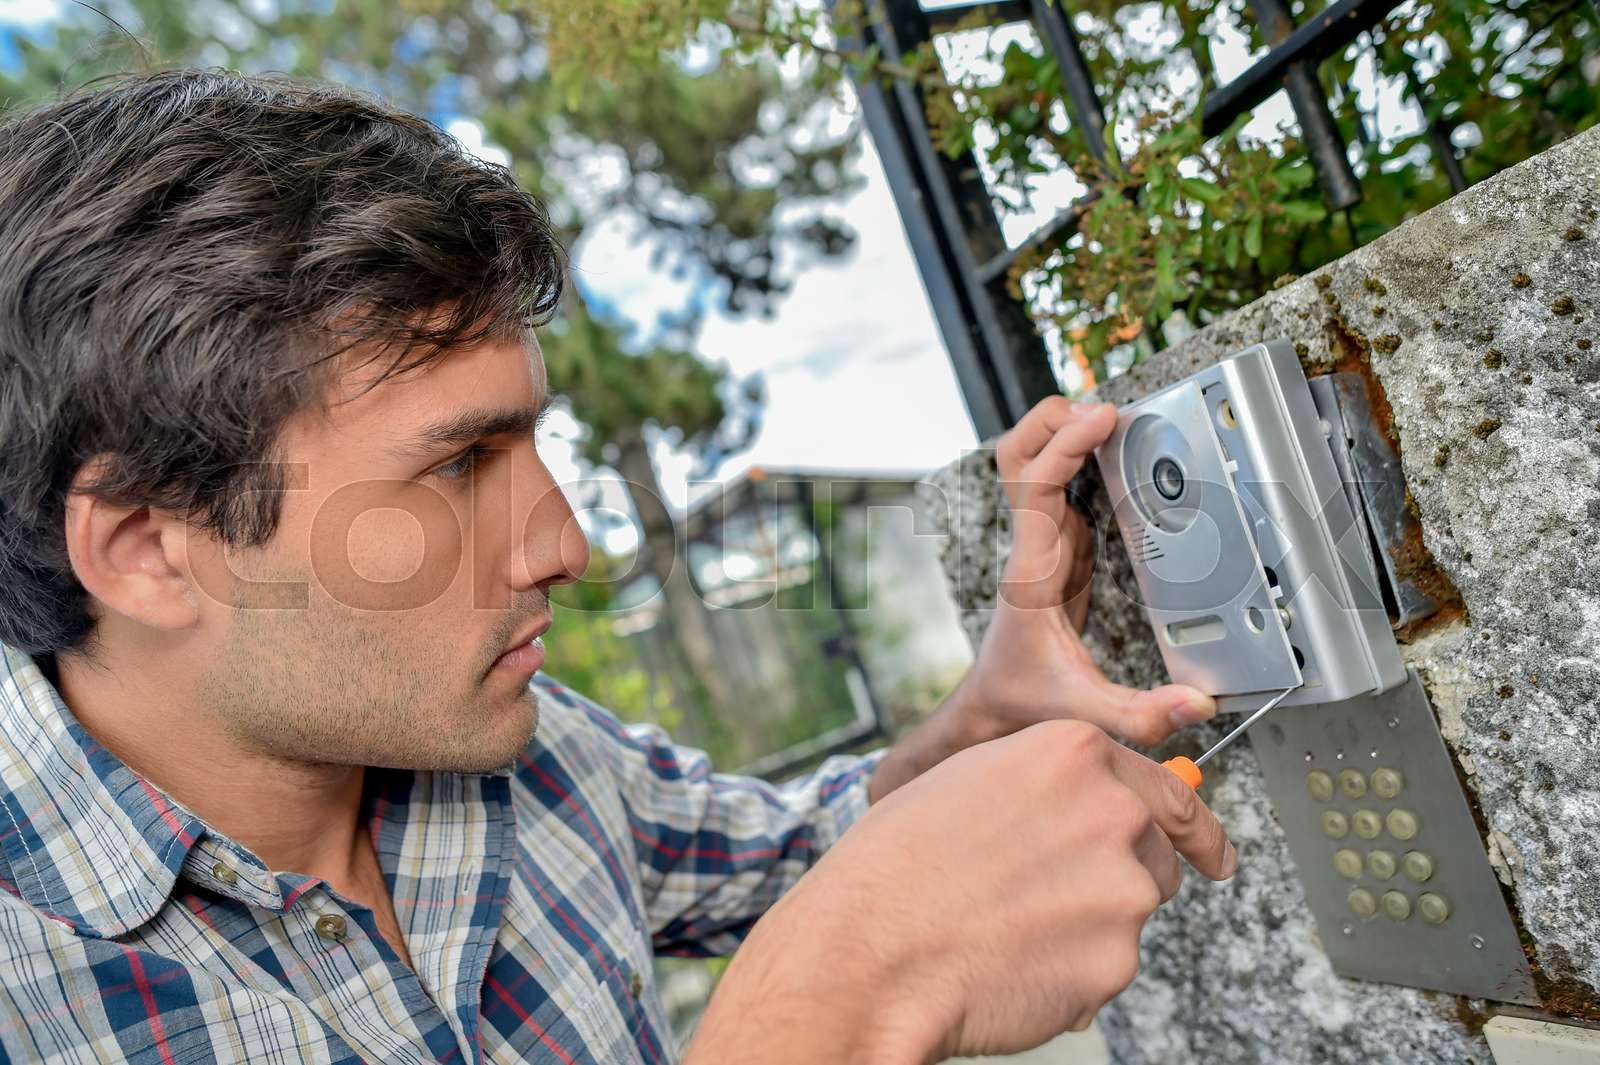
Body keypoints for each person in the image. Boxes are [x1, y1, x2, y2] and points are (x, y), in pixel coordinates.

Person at [0, 70, 1233, 1065]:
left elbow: (804, 855)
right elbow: (851, 935)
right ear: (148, 550)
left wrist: (988, 711)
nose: (565, 548)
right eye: (456, 464)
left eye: (529, 437)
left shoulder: (524, 753)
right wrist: (842, 1004)